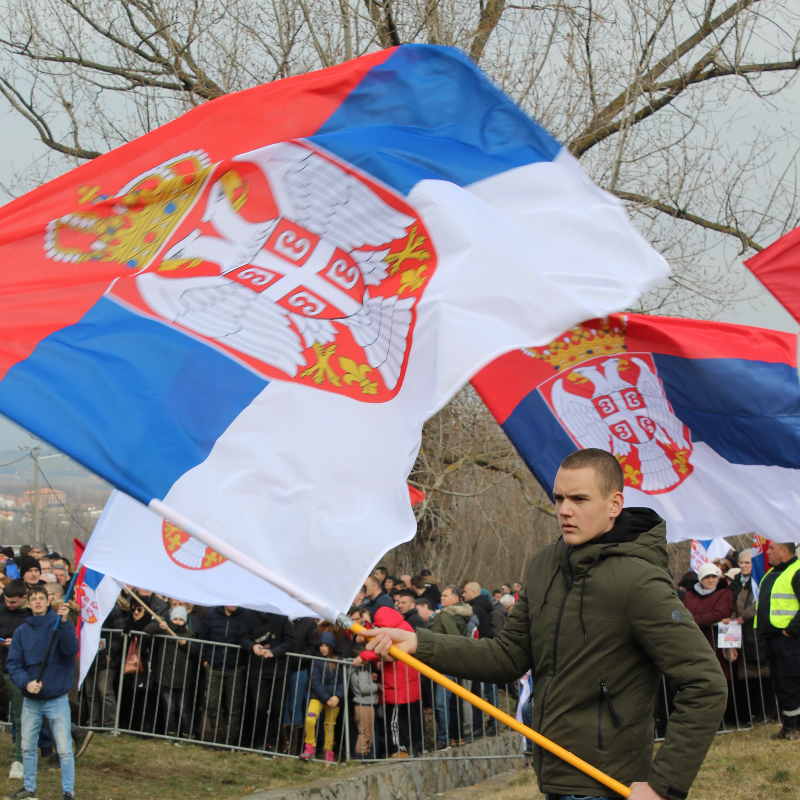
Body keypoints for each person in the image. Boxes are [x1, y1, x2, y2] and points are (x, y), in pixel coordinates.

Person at [363, 448, 727, 800]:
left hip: (607, 783)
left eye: (580, 500)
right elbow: (506, 656)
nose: (565, 510)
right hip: (553, 771)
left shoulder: (640, 580)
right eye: (559, 498)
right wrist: (417, 642)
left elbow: (705, 683)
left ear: (614, 504)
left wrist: (665, 785)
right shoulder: (545, 565)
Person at [6, 585, 79, 800]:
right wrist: (26, 683)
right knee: (27, 746)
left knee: (64, 749)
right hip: (31, 700)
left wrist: (65, 623)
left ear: (48, 602)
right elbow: (14, 665)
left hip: (57, 699)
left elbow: (71, 649)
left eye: (41, 598)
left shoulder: (60, 624)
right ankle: (29, 788)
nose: (37, 602)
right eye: (33, 598)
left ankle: (68, 792)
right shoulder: (21, 632)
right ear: (28, 603)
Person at [361, 606, 422, 758]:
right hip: (408, 684)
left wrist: (362, 656)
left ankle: (399, 749)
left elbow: (381, 650)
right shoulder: (404, 628)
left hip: (397, 686)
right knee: (411, 720)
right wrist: (377, 663)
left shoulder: (391, 633)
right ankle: (416, 747)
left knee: (395, 722)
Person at [756, 540, 800, 740]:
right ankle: (787, 726)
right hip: (773, 640)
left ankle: (794, 728)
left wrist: (791, 631)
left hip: (789, 640)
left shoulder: (796, 571)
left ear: (784, 551)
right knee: (780, 683)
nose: (768, 552)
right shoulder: (772, 573)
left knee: (790, 683)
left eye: (772, 548)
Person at [238, 608, 295, 751]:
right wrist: (252, 646)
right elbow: (242, 637)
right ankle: (258, 741)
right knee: (259, 708)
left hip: (279, 671)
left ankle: (272, 743)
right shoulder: (249, 613)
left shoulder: (281, 615)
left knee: (277, 709)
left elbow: (290, 641)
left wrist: (274, 652)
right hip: (257, 670)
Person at [415, 597, 463, 750]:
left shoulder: (442, 617)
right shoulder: (433, 621)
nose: (417, 615)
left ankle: (443, 739)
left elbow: (456, 638)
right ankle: (445, 738)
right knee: (441, 704)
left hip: (447, 667)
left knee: (441, 704)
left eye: (417, 610)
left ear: (425, 606)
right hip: (440, 667)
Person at [144, 606, 197, 737]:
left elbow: (195, 650)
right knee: (169, 708)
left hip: (183, 678)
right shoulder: (165, 631)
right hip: (165, 677)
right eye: (175, 619)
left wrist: (185, 644)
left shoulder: (190, 634)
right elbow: (146, 630)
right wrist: (159, 626)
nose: (177, 621)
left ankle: (187, 734)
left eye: (180, 619)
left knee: (183, 708)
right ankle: (170, 733)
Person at [198, 605, 247, 745]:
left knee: (234, 708)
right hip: (213, 666)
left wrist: (244, 664)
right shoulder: (211, 614)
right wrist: (204, 661)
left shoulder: (244, 615)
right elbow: (203, 637)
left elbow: (248, 638)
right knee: (212, 705)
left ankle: (230, 740)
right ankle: (217, 737)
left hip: (235, 668)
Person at [682, 563, 735, 683]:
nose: (711, 580)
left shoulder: (724, 593)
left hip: (716, 644)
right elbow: (683, 613)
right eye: (707, 577)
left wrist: (692, 622)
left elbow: (721, 613)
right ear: (700, 579)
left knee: (718, 680)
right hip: (694, 645)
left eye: (714, 576)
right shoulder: (690, 596)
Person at [0, 581, 30, 779]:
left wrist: (17, 646)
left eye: (13, 602)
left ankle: (20, 759)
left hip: (17, 671)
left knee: (20, 717)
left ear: (23, 599)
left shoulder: (30, 617)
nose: (8, 604)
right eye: (6, 601)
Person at [301, 631, 345, 762]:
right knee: (310, 718)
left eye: (326, 645)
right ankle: (309, 747)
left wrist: (337, 697)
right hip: (319, 697)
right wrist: (326, 698)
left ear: (331, 646)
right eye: (321, 645)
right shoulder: (316, 660)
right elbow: (314, 681)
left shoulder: (340, 661)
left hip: (334, 699)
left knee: (329, 725)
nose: (323, 648)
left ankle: (328, 752)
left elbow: (343, 682)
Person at [283, 616, 320, 755]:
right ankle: (286, 744)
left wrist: (296, 656)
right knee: (285, 706)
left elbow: (313, 647)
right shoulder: (284, 619)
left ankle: (296, 746)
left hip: (300, 668)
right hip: (283, 668)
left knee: (295, 707)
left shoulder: (308, 622)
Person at [350, 643, 380, 758]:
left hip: (361, 705)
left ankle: (364, 753)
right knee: (365, 733)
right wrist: (377, 686)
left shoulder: (354, 670)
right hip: (365, 705)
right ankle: (360, 754)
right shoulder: (362, 671)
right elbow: (364, 688)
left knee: (365, 731)